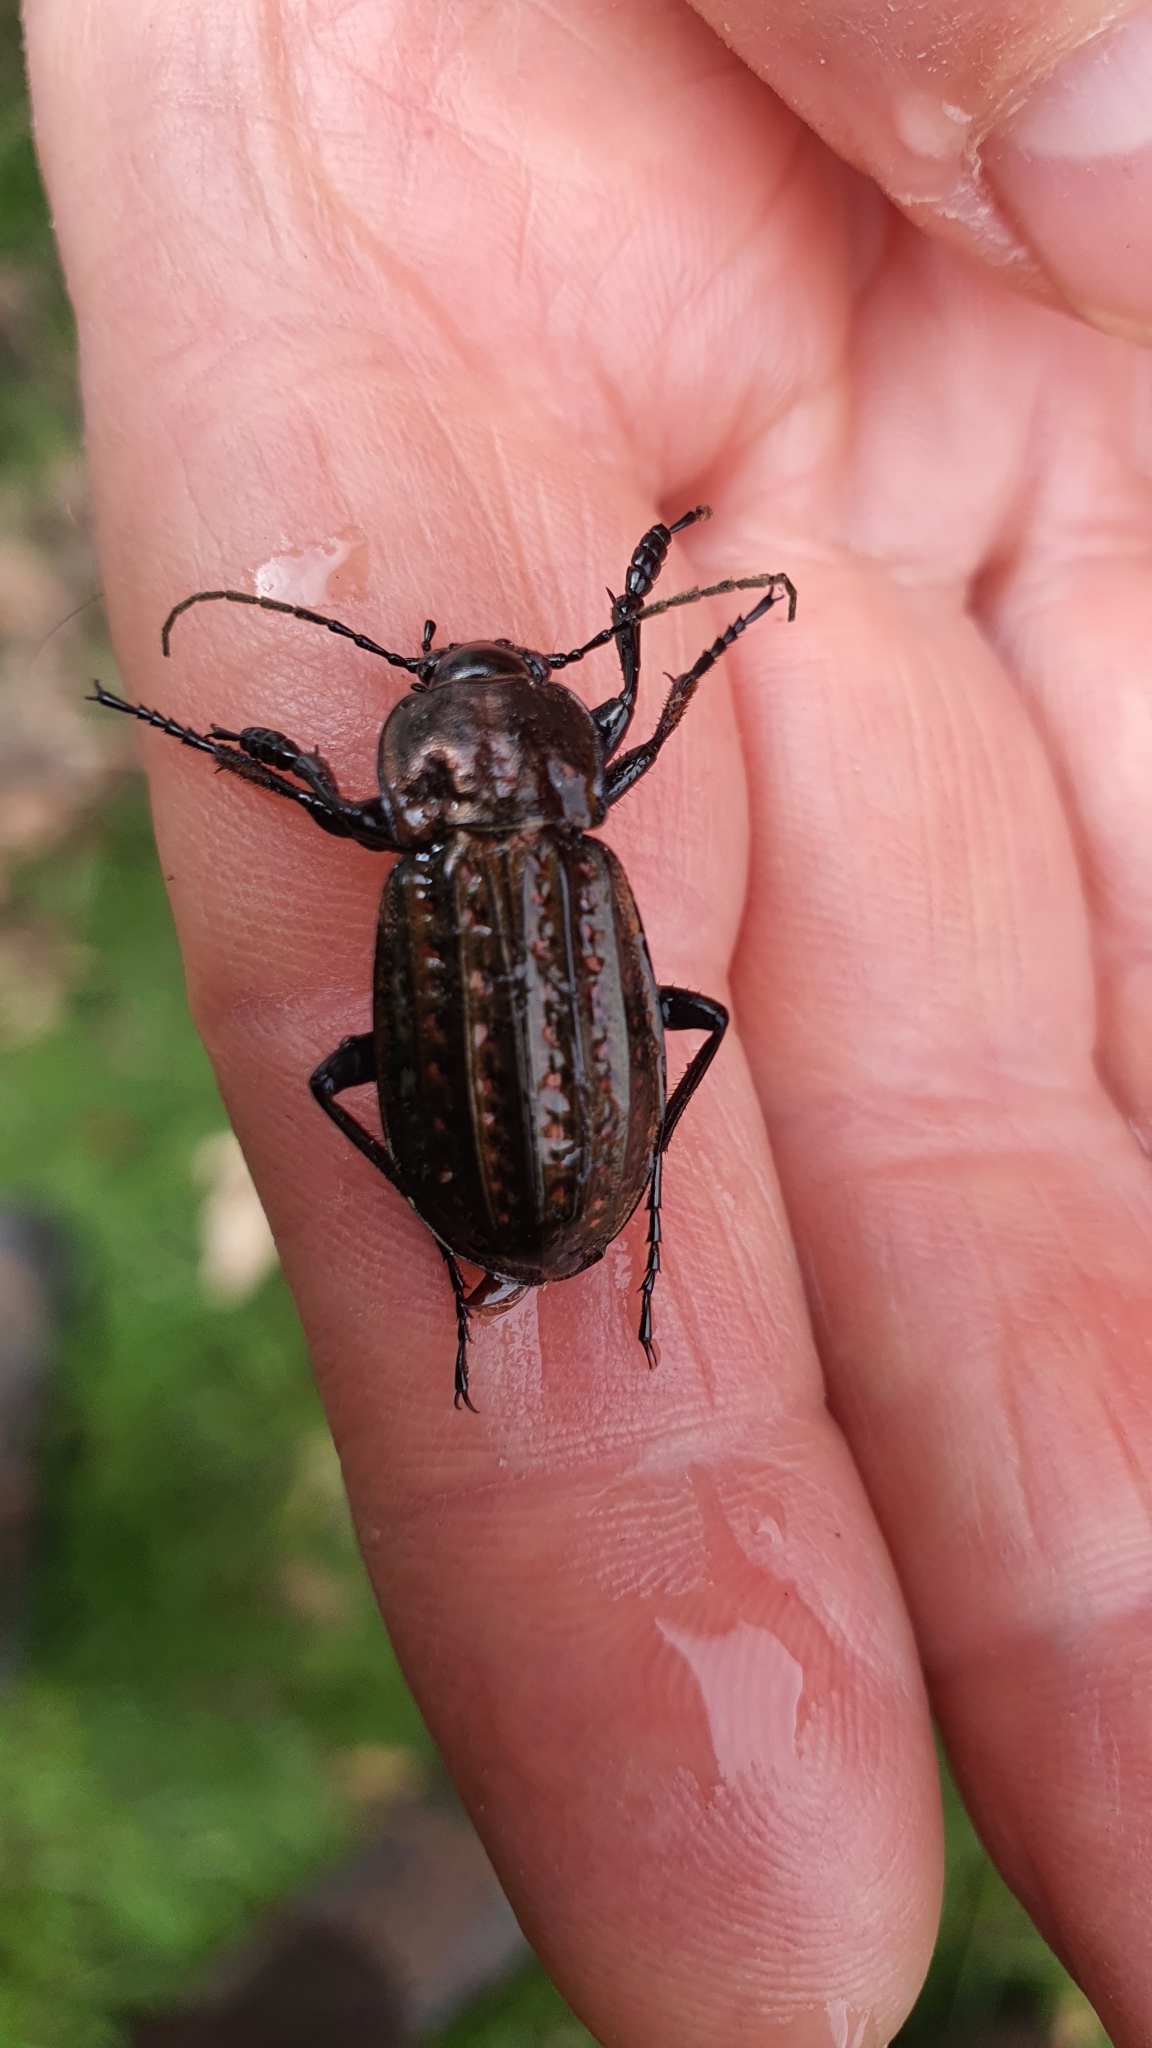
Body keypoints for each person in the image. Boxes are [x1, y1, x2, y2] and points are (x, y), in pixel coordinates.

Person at [25, 1, 1152, 2040]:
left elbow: (594, 713)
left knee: (352, 1068)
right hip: (577, 1147)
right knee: (654, 1023)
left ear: (465, 767)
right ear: (561, 757)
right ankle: (580, 1243)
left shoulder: (428, 845)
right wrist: (670, 621)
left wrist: (208, 725)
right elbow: (643, 721)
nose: (459, 674)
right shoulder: (582, 821)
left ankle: (521, 1260)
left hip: (509, 1156)